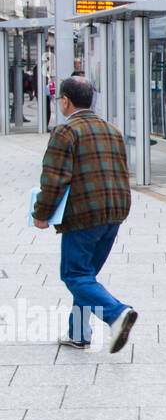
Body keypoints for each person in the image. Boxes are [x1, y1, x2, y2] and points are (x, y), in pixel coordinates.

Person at [32, 76, 137, 352]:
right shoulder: (112, 129)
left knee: (75, 275)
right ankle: (78, 333)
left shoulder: (65, 132)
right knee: (86, 276)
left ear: (65, 101)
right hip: (114, 213)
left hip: (83, 216)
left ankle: (117, 314)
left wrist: (41, 214)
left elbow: (54, 179)